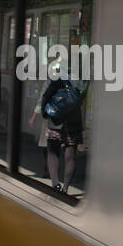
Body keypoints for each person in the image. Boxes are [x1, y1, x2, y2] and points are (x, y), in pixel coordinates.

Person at [37, 65, 85, 194]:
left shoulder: (56, 78)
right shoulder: (80, 80)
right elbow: (81, 100)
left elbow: (46, 96)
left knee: (52, 152)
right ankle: (65, 188)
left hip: (56, 122)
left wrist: (44, 112)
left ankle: (55, 185)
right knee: (70, 157)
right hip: (73, 123)